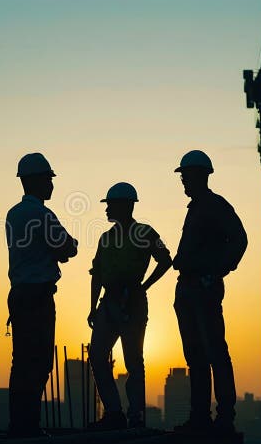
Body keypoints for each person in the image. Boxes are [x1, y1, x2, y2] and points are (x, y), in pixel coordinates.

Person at [172, 150, 248, 435]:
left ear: (201, 176)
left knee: (215, 351)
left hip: (203, 288)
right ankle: (201, 417)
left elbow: (239, 241)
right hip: (189, 288)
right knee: (195, 355)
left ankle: (224, 416)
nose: (184, 182)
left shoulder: (215, 206)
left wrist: (215, 272)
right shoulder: (196, 209)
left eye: (187, 176)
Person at [87, 182, 172, 430]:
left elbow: (165, 260)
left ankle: (135, 416)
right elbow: (97, 274)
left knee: (133, 360)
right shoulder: (107, 238)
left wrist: (144, 286)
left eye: (110, 205)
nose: (106, 209)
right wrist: (93, 307)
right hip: (110, 301)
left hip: (132, 302)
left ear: (125, 205)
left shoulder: (145, 233)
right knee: (97, 356)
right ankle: (115, 412)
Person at [5, 153, 78, 437]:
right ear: (35, 181)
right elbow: (67, 248)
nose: (51, 184)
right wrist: (67, 247)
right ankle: (30, 427)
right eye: (48, 179)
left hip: (19, 294)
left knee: (21, 360)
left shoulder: (14, 214)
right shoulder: (42, 214)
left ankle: (19, 424)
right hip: (38, 296)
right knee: (39, 361)